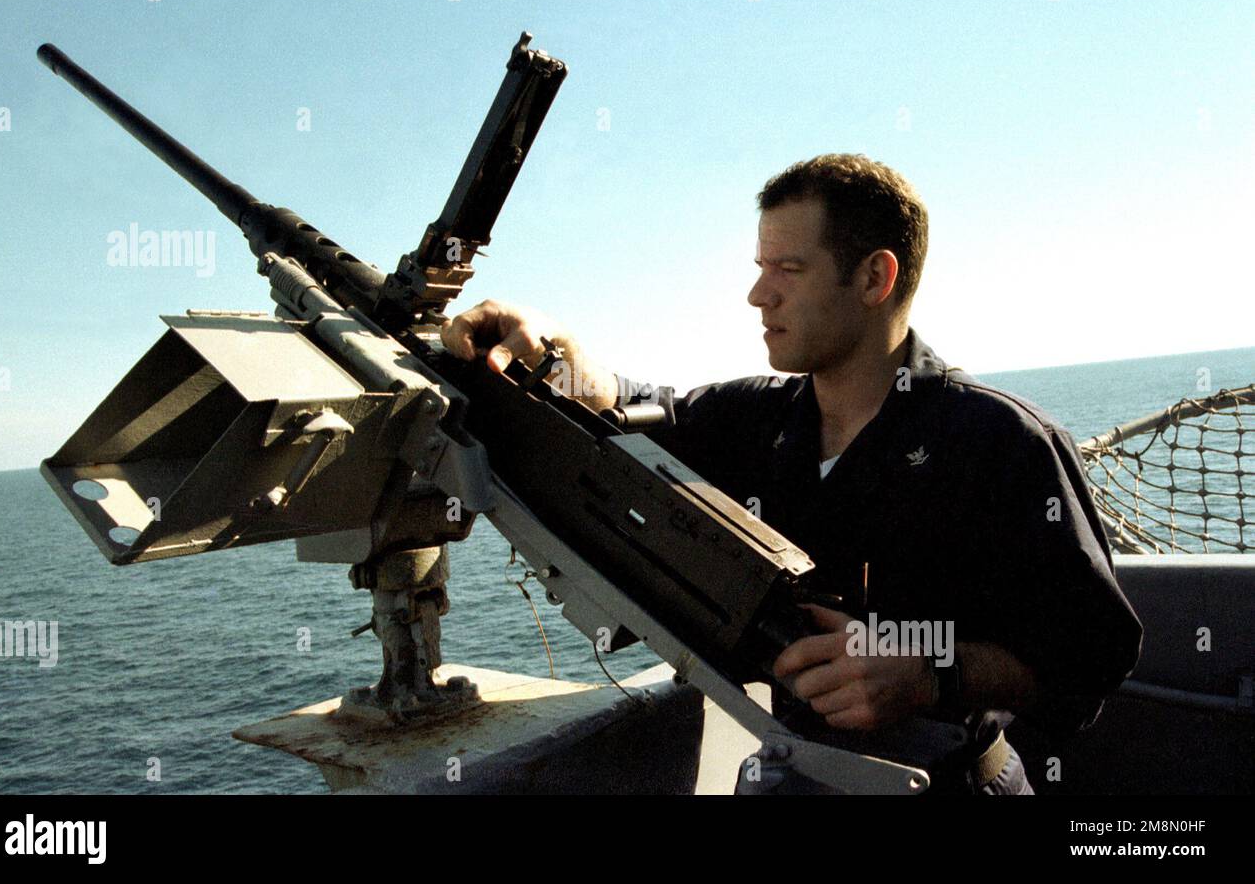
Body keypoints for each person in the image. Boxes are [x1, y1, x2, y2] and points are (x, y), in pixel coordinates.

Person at [439, 153, 1143, 794]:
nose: (757, 295)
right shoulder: (752, 417)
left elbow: (1091, 653)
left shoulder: (1001, 443)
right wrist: (547, 345)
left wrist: (929, 673)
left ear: (874, 277)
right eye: (759, 266)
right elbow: (621, 402)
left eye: (788, 270)